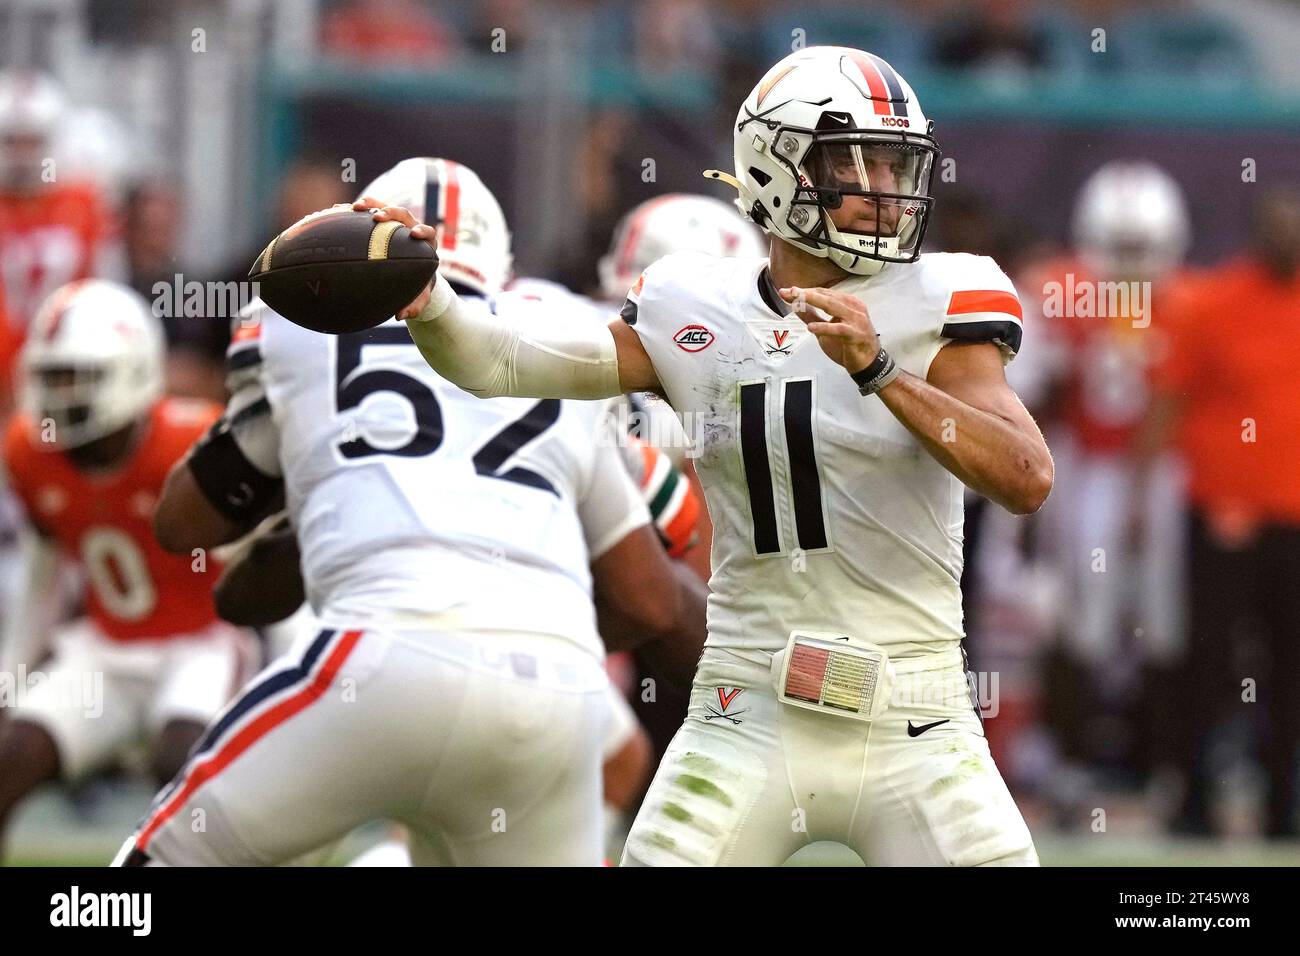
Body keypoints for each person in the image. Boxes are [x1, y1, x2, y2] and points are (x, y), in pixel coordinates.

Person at [363, 45, 1052, 866]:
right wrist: (431, 300)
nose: (882, 190)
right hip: (746, 708)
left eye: (894, 163)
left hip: (918, 714)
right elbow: (503, 362)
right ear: (775, 167)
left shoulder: (937, 300)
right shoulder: (695, 307)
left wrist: (881, 371)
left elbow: (1025, 476)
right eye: (852, 162)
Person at [113, 158, 707, 867]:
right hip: (555, 695)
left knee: (147, 874)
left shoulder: (295, 321)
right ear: (502, 261)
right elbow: (647, 599)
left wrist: (308, 490)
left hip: (380, 658)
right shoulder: (562, 332)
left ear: (347, 239)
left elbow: (185, 526)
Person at [0, 280, 254, 860]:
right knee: (10, 759)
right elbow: (46, 571)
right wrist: (10, 676)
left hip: (200, 646)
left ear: (132, 371)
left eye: (77, 377)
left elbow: (264, 561)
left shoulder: (194, 445)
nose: (60, 396)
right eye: (52, 377)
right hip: (107, 651)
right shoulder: (28, 451)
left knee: (183, 769)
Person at [1141, 185, 1300, 838]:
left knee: (1291, 667)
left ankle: (1282, 806)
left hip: (1293, 521)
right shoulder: (1213, 302)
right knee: (1205, 662)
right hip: (1221, 514)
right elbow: (1169, 401)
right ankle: (1194, 801)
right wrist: (1137, 495)